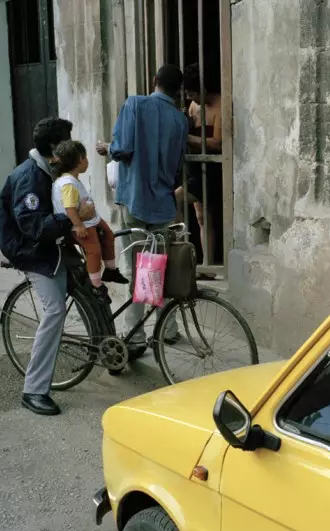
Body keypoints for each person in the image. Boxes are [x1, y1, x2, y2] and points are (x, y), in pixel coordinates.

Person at [96, 64, 189, 358]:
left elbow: (123, 149)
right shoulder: (180, 120)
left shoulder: (135, 103)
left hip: (135, 199)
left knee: (136, 270)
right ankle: (168, 329)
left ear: (154, 81)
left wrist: (106, 148)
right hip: (162, 204)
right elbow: (177, 167)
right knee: (161, 265)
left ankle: (134, 336)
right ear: (179, 91)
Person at [0, 117, 75, 416]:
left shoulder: (53, 170)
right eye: (67, 140)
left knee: (94, 285)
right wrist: (72, 218)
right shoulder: (30, 177)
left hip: (52, 244)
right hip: (30, 250)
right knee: (55, 311)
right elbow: (33, 227)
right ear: (55, 146)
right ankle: (34, 390)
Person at [50, 140, 128, 302]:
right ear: (79, 160)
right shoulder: (68, 184)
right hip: (82, 225)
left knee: (108, 234)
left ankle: (111, 270)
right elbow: (69, 208)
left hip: (91, 220)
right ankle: (97, 286)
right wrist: (78, 225)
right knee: (94, 251)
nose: (87, 161)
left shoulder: (71, 180)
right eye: (85, 157)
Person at [176, 62, 223, 269]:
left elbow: (218, 143)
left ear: (204, 90)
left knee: (173, 199)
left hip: (213, 167)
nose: (189, 99)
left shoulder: (221, 105)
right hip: (196, 165)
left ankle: (193, 258)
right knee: (202, 216)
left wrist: (186, 137)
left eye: (192, 93)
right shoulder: (194, 106)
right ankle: (205, 263)